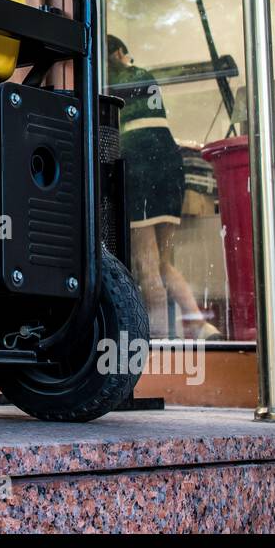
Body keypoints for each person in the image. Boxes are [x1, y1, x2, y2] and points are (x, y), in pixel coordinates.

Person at [107, 35, 222, 341]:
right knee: (163, 261)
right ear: (121, 51)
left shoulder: (110, 80)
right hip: (169, 160)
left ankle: (158, 338)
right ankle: (198, 324)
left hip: (139, 159)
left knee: (145, 262)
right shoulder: (144, 76)